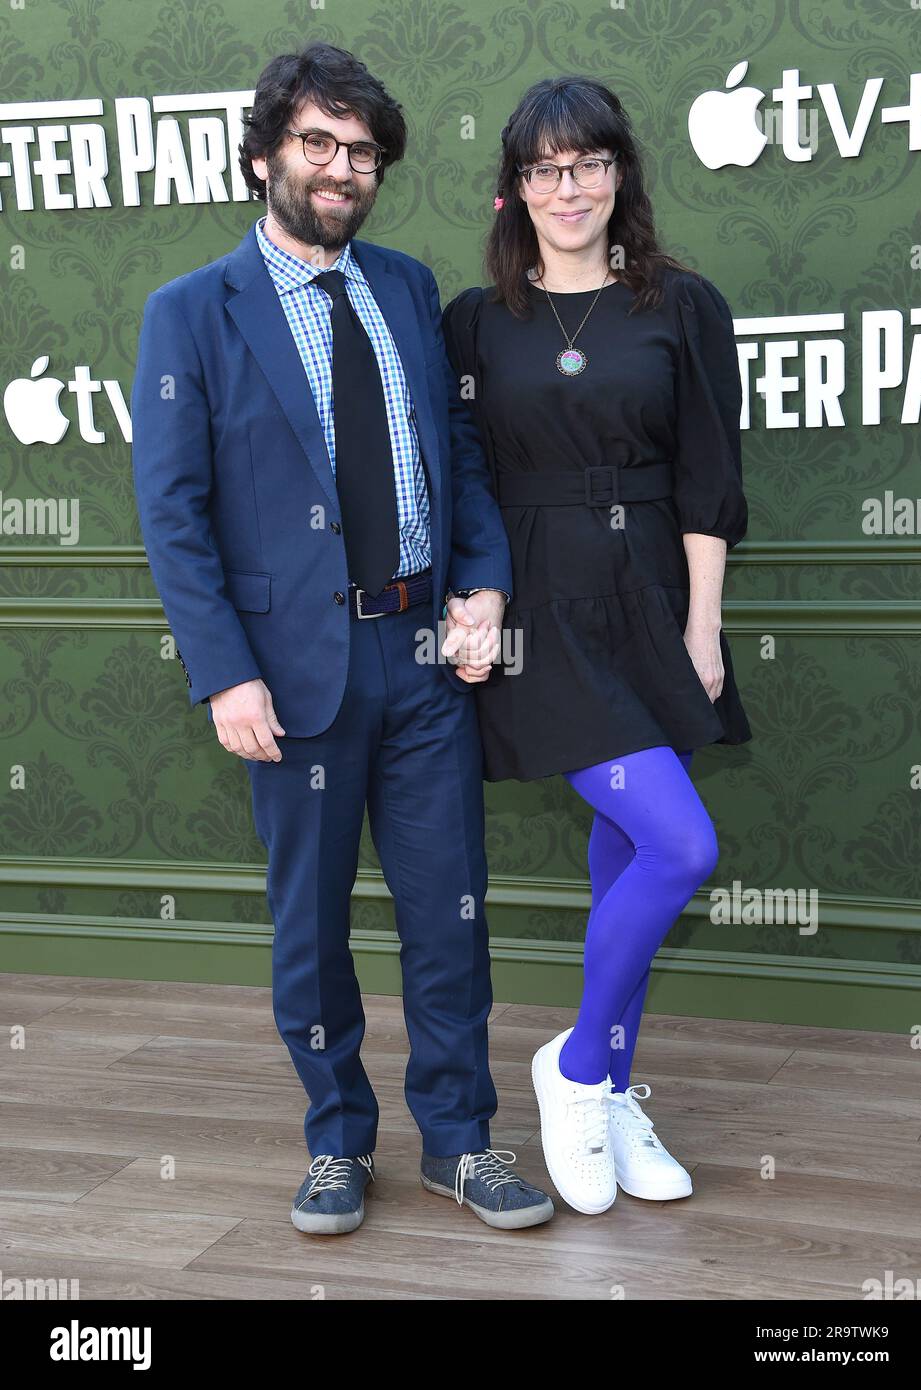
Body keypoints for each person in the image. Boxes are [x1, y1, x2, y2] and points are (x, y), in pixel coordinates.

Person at [131, 41, 554, 1235]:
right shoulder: (190, 315)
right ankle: (337, 1140)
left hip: (424, 658)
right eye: (317, 142)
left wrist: (482, 586)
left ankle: (460, 1141)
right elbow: (171, 511)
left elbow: (459, 457)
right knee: (312, 931)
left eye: (361, 151)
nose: (340, 167)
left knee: (448, 912)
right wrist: (224, 672)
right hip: (291, 675)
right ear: (265, 154)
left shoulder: (410, 290)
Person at [442, 76, 753, 1216]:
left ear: (620, 173)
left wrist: (702, 626)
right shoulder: (477, 322)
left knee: (631, 844)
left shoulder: (683, 304)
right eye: (543, 168)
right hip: (534, 610)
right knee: (680, 845)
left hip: (650, 600)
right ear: (513, 189)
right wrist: (473, 598)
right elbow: (460, 470)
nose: (566, 188)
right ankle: (574, 1067)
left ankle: (610, 1086)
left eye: (587, 164)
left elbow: (711, 478)